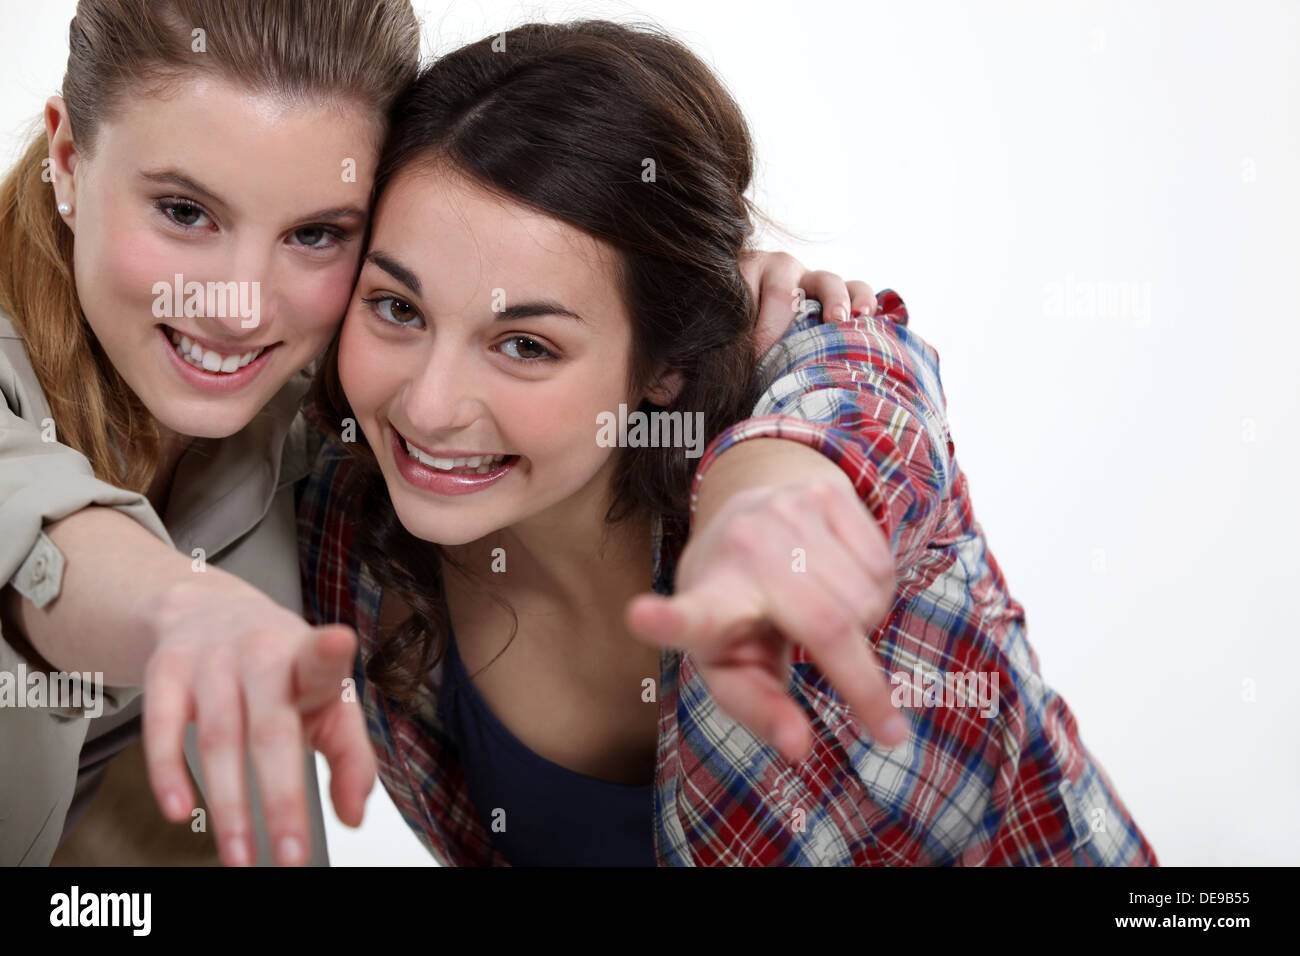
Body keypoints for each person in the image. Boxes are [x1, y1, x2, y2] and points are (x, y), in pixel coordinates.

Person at [0, 1, 875, 866]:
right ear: (69, 161)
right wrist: (182, 613)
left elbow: (840, 379)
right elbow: (31, 517)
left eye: (316, 233)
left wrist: (736, 318)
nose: (242, 308)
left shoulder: (321, 408)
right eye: (185, 213)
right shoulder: (316, 437)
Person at [299, 19, 1160, 866]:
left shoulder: (815, 380)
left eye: (526, 346)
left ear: (665, 367)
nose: (429, 407)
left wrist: (765, 498)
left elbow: (857, 396)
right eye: (397, 308)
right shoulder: (340, 517)